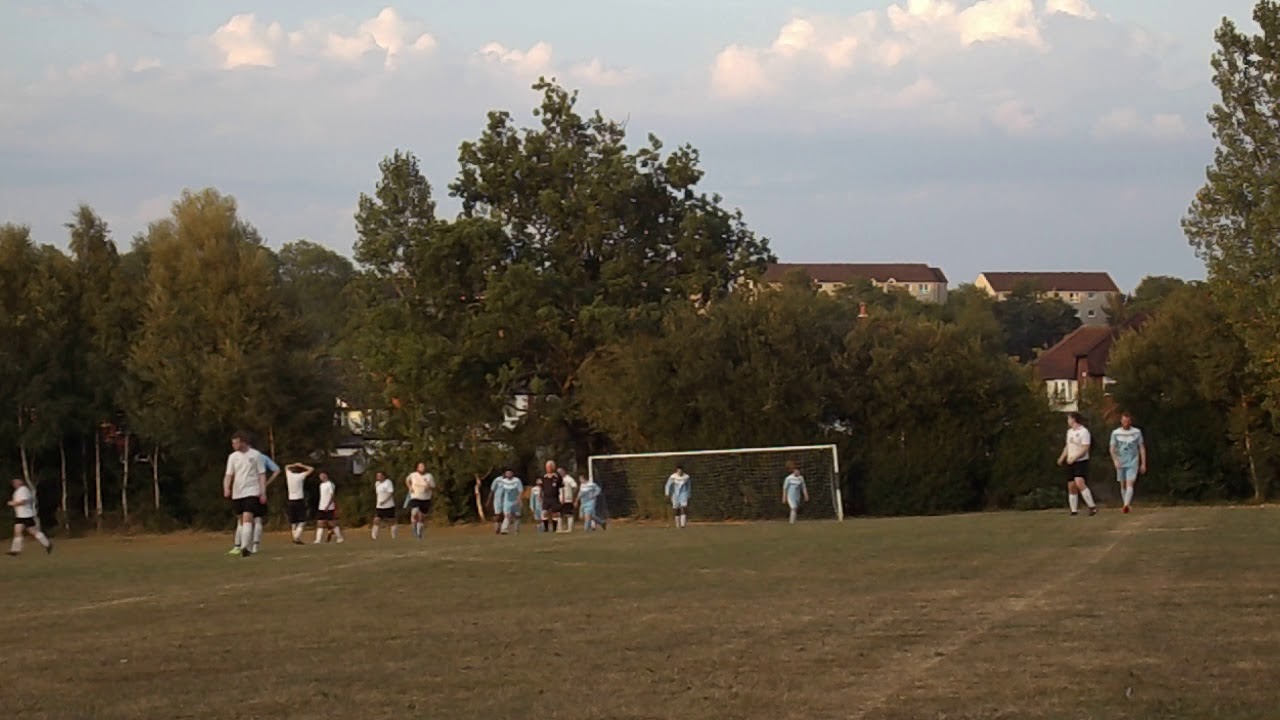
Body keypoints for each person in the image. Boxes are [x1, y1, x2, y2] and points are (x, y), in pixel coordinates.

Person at [224, 431, 267, 557]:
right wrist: (226, 488)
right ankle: (244, 545)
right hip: (238, 492)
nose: (234, 445)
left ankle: (244, 547)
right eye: (232, 443)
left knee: (248, 516)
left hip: (252, 491)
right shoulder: (232, 457)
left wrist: (263, 492)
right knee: (241, 520)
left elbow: (261, 474)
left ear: (243, 442)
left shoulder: (256, 455)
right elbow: (228, 474)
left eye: (236, 443)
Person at [1057, 412, 1098, 516]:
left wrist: (1075, 457)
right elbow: (1068, 446)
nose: (1068, 421)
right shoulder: (1069, 432)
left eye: (1069, 419)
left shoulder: (1084, 432)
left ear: (1074, 419)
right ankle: (1074, 510)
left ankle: (1092, 506)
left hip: (1080, 461)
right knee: (1071, 485)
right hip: (1070, 461)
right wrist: (1062, 457)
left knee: (1079, 482)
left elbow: (1085, 448)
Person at [1110, 412, 1147, 514]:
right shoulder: (1115, 433)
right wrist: (1115, 461)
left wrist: (1143, 463)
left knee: (1130, 483)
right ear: (1121, 421)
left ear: (1130, 421)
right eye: (1124, 421)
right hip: (1121, 461)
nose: (1126, 423)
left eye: (1128, 421)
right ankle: (1126, 504)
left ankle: (1126, 505)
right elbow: (1112, 449)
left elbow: (1141, 448)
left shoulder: (1137, 432)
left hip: (1133, 461)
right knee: (1122, 484)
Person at [246, 449, 281, 554]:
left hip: (249, 490)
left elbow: (277, 470)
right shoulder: (262, 457)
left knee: (250, 519)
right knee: (256, 519)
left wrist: (266, 483)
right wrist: (266, 483)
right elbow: (277, 470)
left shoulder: (249, 457)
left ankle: (247, 544)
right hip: (257, 490)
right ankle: (254, 545)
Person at [7, 478, 52, 556]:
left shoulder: (23, 490)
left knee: (33, 532)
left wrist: (13, 503)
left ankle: (47, 544)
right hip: (20, 515)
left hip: (26, 515)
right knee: (18, 532)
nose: (14, 484)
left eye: (15, 482)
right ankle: (15, 550)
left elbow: (23, 502)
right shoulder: (17, 491)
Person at [284, 462, 314, 544]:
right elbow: (311, 469)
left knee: (293, 522)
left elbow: (286, 466)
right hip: (299, 500)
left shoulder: (289, 475)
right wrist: (301, 465)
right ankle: (296, 537)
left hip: (290, 500)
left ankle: (295, 538)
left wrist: (293, 464)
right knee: (302, 520)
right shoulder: (300, 476)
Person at [405, 463, 435, 540]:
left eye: (424, 467)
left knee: (421, 517)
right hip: (415, 497)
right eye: (421, 467)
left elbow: (433, 486)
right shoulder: (413, 475)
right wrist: (410, 487)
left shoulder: (429, 476)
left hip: (425, 498)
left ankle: (419, 532)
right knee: (414, 512)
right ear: (417, 468)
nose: (422, 468)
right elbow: (407, 480)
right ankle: (414, 528)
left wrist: (429, 487)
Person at [314, 472, 345, 543]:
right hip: (321, 507)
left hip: (329, 507)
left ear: (326, 476)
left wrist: (328, 505)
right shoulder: (321, 485)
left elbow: (332, 495)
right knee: (320, 523)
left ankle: (340, 537)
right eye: (320, 477)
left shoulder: (330, 484)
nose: (321, 478)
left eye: (322, 476)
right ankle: (318, 540)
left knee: (332, 523)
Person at [372, 471, 397, 540]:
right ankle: (374, 536)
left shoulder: (388, 482)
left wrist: (384, 501)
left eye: (379, 476)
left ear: (383, 476)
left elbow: (390, 493)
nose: (378, 477)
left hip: (389, 506)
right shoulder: (377, 483)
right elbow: (378, 494)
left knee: (392, 521)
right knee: (376, 520)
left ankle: (394, 535)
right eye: (377, 476)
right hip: (379, 507)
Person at [540, 461, 562, 533]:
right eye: (546, 467)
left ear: (553, 467)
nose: (547, 468)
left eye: (549, 467)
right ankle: (546, 529)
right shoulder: (544, 477)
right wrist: (540, 495)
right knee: (544, 512)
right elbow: (541, 487)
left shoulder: (557, 477)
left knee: (555, 513)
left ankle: (554, 529)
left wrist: (562, 497)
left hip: (554, 498)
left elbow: (561, 487)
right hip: (546, 498)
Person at [558, 466, 579, 533]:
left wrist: (572, 495)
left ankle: (569, 528)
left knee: (569, 514)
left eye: (560, 472)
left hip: (568, 499)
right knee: (559, 514)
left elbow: (575, 487)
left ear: (564, 472)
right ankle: (559, 528)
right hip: (559, 499)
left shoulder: (569, 479)